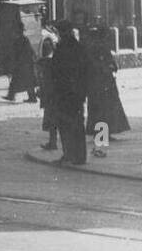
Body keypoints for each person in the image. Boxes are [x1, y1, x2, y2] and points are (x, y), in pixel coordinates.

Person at [83, 25, 130, 155]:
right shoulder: (97, 48)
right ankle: (102, 136)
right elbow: (98, 65)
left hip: (100, 84)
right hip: (101, 84)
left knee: (101, 110)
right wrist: (108, 68)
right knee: (103, 110)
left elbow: (111, 64)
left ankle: (103, 135)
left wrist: (111, 67)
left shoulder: (93, 48)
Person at [53, 23, 87, 165]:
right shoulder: (78, 47)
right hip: (77, 92)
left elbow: (56, 70)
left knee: (65, 124)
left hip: (65, 92)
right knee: (77, 124)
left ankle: (69, 154)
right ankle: (79, 156)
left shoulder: (62, 48)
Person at [3, 21, 37, 102]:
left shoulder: (19, 40)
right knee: (27, 81)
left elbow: (14, 54)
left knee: (20, 80)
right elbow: (31, 51)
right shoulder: (24, 39)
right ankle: (13, 96)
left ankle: (12, 96)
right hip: (27, 63)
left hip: (23, 64)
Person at [38, 37, 59, 150]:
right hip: (54, 94)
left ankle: (53, 142)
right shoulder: (53, 60)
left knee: (52, 120)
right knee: (54, 120)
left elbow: (44, 80)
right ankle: (53, 142)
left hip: (50, 95)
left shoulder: (44, 62)